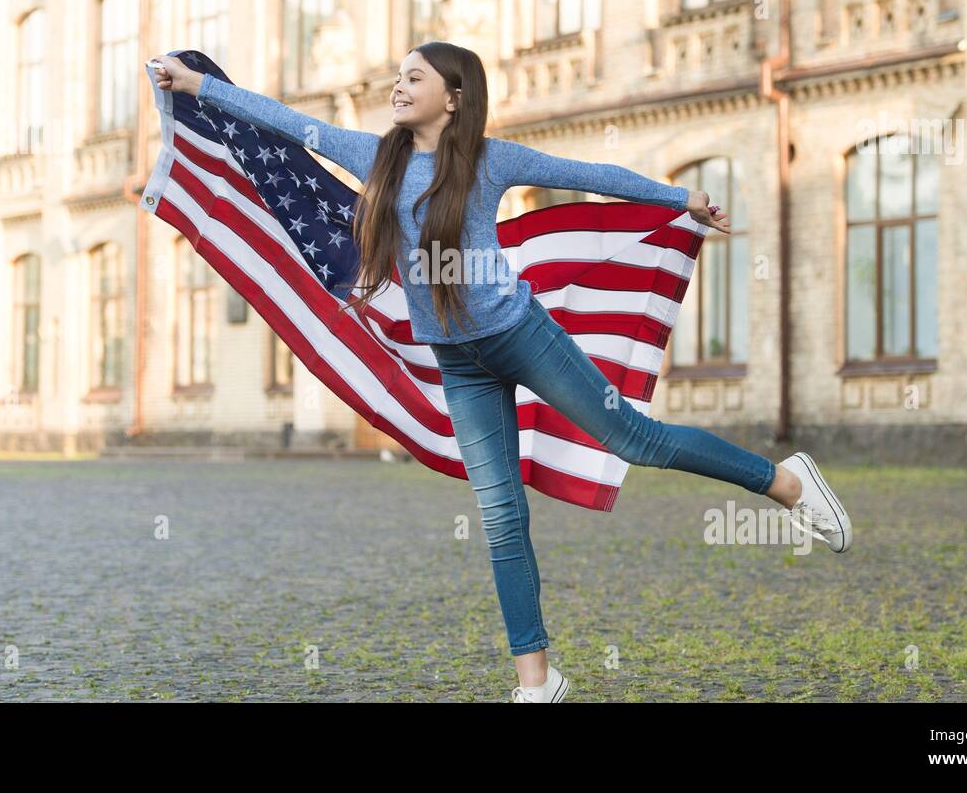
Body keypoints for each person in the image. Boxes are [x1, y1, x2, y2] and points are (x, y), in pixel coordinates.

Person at [150, 42, 853, 703]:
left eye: (415, 76)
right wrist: (197, 85)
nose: (399, 84)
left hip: (519, 334)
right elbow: (288, 122)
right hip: (459, 362)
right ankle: (537, 681)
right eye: (398, 74)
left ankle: (788, 482)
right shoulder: (377, 158)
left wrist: (681, 200)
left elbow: (590, 177)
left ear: (454, 99)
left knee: (637, 440)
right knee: (501, 518)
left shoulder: (488, 161)